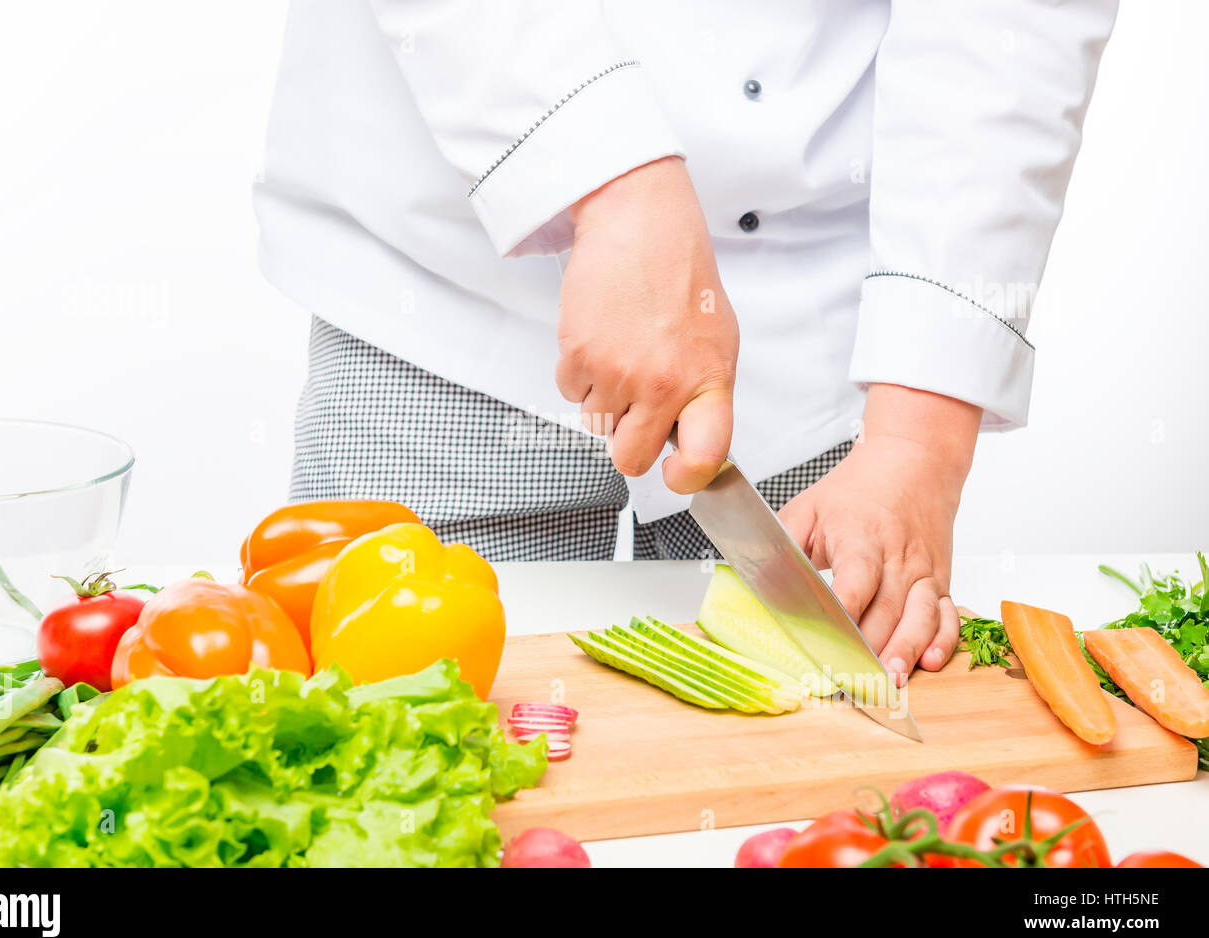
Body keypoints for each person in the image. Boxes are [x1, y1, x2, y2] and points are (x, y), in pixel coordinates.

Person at [253, 0, 1118, 682]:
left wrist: (917, 443)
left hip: (826, 345)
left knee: (823, 760)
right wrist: (605, 178)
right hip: (443, 286)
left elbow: (1009, 22)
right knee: (389, 748)